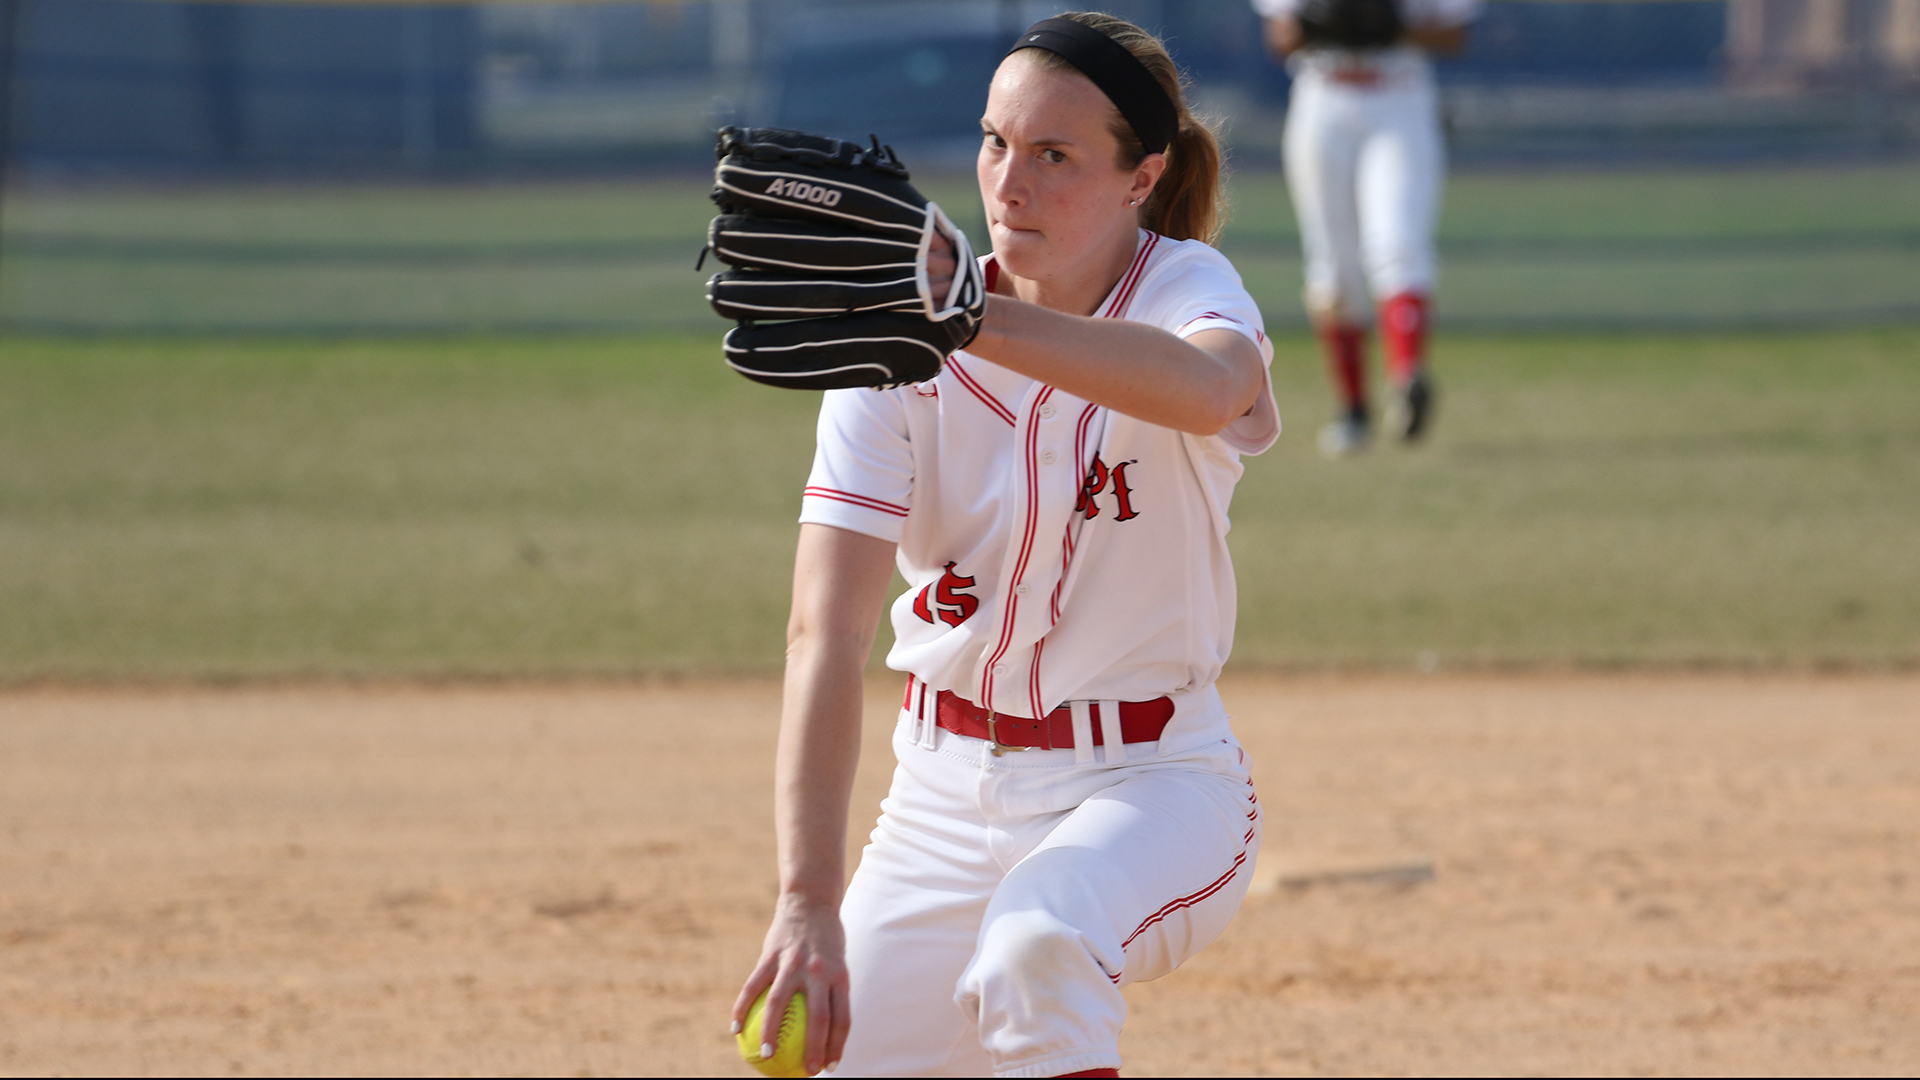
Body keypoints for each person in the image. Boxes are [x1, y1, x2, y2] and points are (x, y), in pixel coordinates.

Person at [728, 12, 1280, 1078]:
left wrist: (969, 316)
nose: (1008, 183)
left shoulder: (1187, 291)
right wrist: (805, 904)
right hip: (938, 795)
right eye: (994, 142)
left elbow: (1210, 391)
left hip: (1151, 784)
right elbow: (824, 633)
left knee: (1040, 942)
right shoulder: (896, 347)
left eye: (1054, 155)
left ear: (1141, 176)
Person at [1254, 0, 1478, 456]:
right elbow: (1280, 37)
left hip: (1399, 97)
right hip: (1324, 97)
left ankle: (1407, 376)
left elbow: (1454, 35)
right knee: (1332, 267)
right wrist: (1323, 23)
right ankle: (1353, 410)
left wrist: (1394, 27)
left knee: (1398, 244)